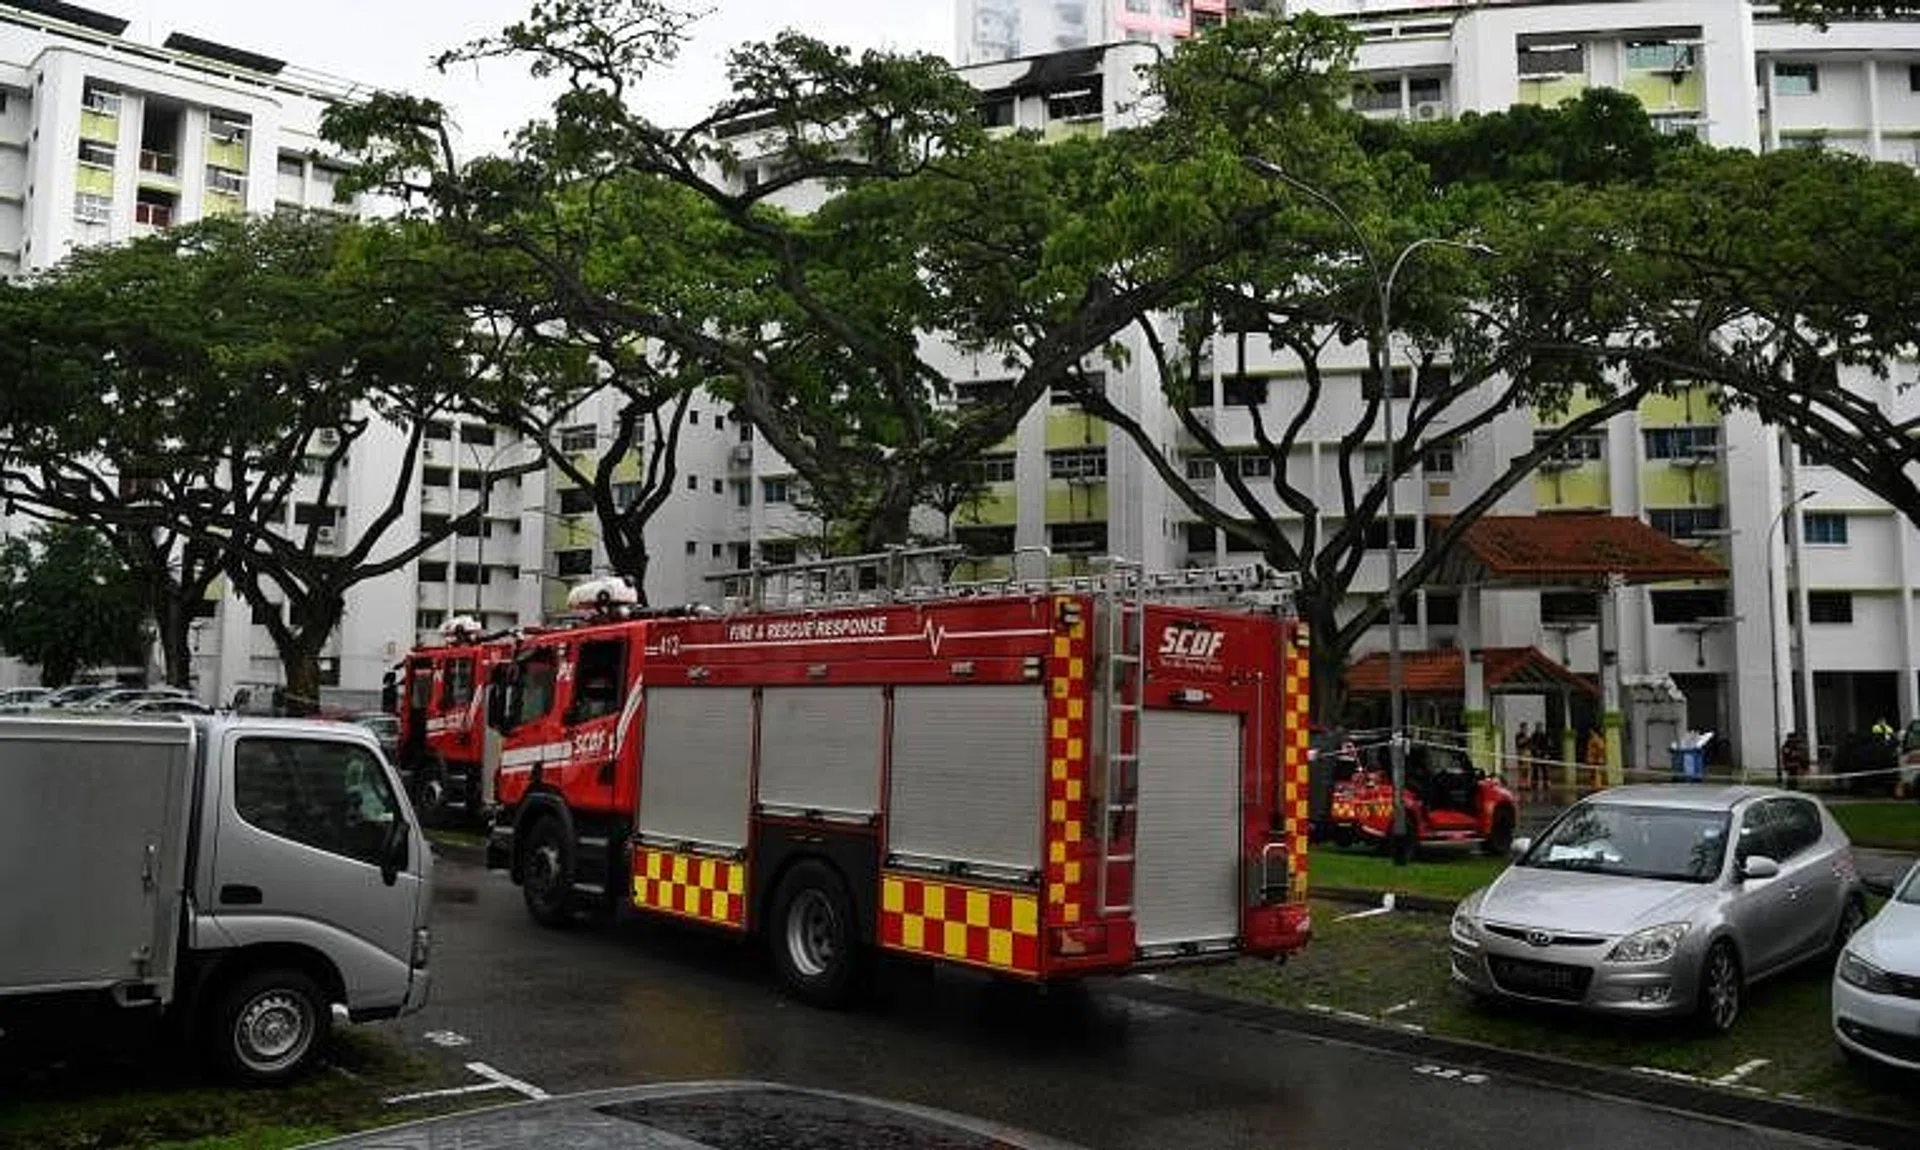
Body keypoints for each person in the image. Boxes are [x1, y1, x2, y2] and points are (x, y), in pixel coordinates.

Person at [1584, 726, 1607, 792]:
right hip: (1592, 760)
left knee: (1597, 774)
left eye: (1591, 731)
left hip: (1596, 760)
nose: (1590, 732)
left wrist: (1599, 758)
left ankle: (1597, 787)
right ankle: (1593, 786)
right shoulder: (1591, 739)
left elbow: (1601, 750)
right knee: (1592, 775)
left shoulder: (1598, 740)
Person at [1513, 722, 1532, 794]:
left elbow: (1530, 745)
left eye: (1526, 728)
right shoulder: (1518, 735)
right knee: (1521, 770)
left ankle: (1527, 784)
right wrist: (1525, 738)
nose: (1526, 729)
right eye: (1524, 728)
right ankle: (1521, 784)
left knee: (1527, 770)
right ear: (1521, 728)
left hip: (1527, 753)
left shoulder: (1528, 736)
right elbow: (1519, 743)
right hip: (1521, 753)